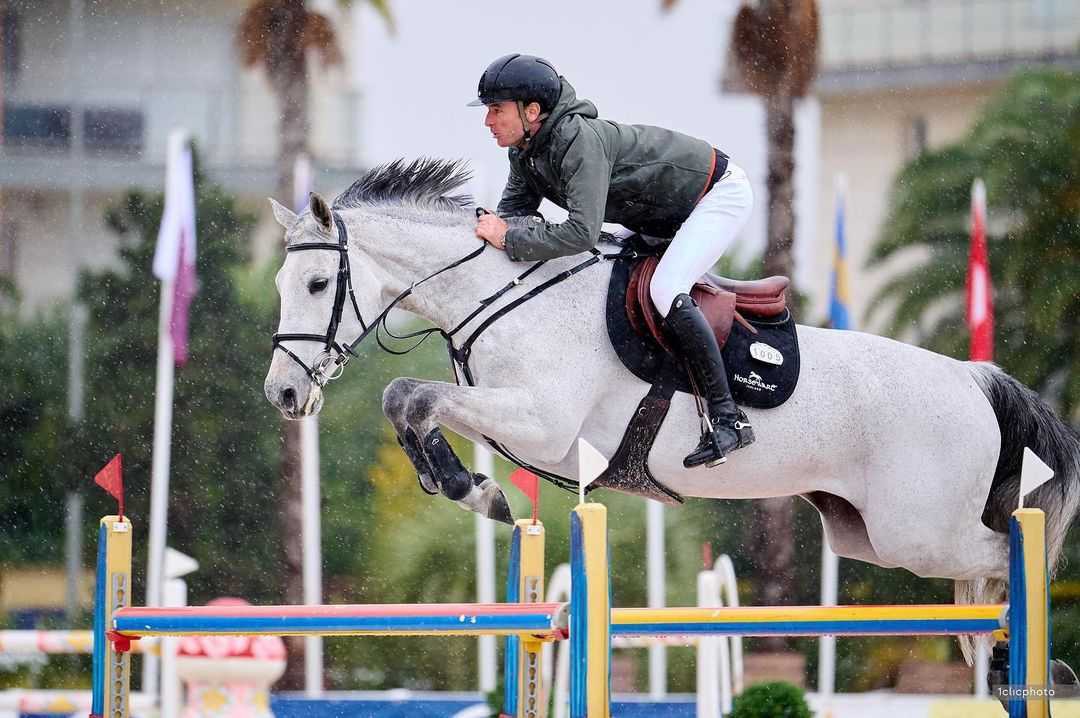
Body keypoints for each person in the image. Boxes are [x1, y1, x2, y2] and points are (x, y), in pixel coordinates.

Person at [470, 53, 754, 468]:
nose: (487, 121)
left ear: (532, 111)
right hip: (657, 214)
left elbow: (579, 233)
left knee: (665, 288)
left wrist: (509, 235)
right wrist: (493, 234)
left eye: (496, 109)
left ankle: (729, 419)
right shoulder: (525, 153)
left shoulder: (577, 141)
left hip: (714, 195)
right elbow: (511, 220)